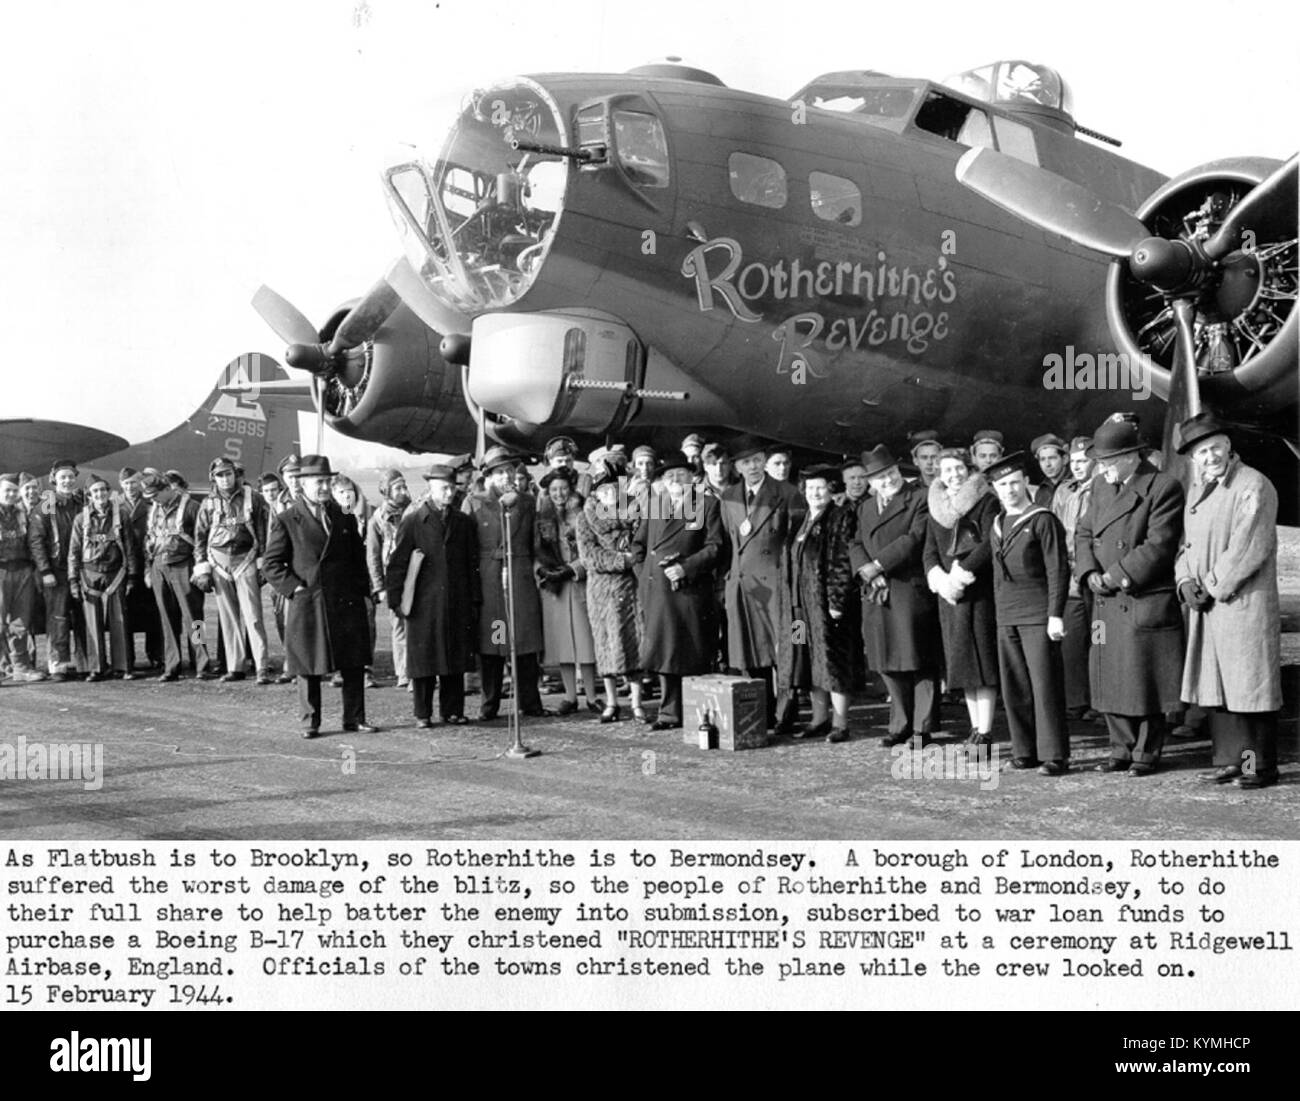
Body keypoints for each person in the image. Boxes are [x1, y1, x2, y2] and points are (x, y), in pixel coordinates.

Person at [1173, 412, 1281, 789]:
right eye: (1202, 452)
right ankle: (1230, 761)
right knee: (1217, 691)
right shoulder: (1198, 491)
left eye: (1215, 447)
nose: (1210, 456)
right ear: (1193, 458)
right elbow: (1186, 544)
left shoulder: (1253, 485)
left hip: (1241, 606)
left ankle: (1257, 767)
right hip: (1208, 607)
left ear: (1229, 446)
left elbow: (1249, 544)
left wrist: (1214, 585)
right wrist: (1185, 580)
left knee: (1249, 692)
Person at [1076, 417, 1185, 777]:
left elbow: (1159, 545)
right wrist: (1089, 572)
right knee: (1109, 675)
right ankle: (1120, 748)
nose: (1101, 468)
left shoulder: (1163, 487)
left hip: (1139, 597)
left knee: (1145, 680)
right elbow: (1084, 532)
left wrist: (1116, 576)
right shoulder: (1100, 487)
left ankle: (1146, 752)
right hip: (1105, 599)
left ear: (1129, 458)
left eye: (1107, 462)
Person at [263, 455, 375, 737]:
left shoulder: (343, 515)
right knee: (308, 664)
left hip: (345, 600)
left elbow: (357, 558)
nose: (324, 487)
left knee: (352, 662)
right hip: (310, 601)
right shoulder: (287, 520)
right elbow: (271, 564)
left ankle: (355, 718)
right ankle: (310, 722)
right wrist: (296, 588)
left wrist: (364, 592)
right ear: (302, 484)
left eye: (327, 481)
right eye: (318, 482)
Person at [848, 445, 941, 746]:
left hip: (906, 588)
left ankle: (921, 727)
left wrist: (877, 565)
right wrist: (863, 567)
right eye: (879, 478)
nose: (887, 481)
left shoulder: (919, 498)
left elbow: (913, 539)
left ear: (899, 471)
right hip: (876, 592)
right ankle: (899, 724)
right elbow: (855, 541)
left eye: (890, 474)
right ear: (871, 482)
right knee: (886, 659)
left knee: (918, 659)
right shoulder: (865, 507)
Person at [987, 453, 1070, 774]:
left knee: (1044, 685)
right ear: (995, 489)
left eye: (1014, 483)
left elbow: (1057, 569)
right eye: (1002, 485)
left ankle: (1055, 755)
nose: (1009, 490)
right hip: (1007, 615)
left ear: (1025, 483)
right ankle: (1025, 751)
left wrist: (1055, 614)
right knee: (1015, 686)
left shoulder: (1042, 519)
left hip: (1038, 614)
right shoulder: (997, 523)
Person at [720, 436, 806, 733]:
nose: (753, 467)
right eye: (746, 462)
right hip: (743, 585)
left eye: (758, 460)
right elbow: (728, 543)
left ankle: (786, 714)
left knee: (784, 650)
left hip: (776, 581)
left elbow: (798, 543)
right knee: (752, 652)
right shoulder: (729, 496)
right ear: (737, 467)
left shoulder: (787, 492)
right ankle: (763, 713)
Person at [633, 450, 724, 730]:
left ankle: (700, 713)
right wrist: (646, 575)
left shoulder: (706, 505)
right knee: (664, 652)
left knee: (693, 650)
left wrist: (686, 567)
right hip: (658, 591)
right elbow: (638, 545)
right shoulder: (654, 505)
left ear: (692, 478)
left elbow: (716, 547)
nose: (675, 480)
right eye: (669, 476)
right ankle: (669, 713)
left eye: (681, 475)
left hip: (690, 590)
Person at [385, 464, 478, 728]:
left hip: (456, 601)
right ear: (431, 489)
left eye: (452, 488)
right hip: (423, 604)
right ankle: (422, 713)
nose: (449, 493)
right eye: (443, 488)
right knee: (424, 662)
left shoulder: (463, 522)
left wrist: (474, 599)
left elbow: (472, 564)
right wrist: (395, 600)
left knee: (454, 660)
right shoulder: (414, 521)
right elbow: (398, 563)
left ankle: (452, 710)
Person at [922, 448, 1000, 748]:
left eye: (958, 469)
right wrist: (939, 579)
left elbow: (990, 542)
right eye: (947, 470)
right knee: (964, 666)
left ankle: (987, 729)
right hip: (949, 597)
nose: (953, 475)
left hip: (977, 591)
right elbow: (929, 550)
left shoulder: (987, 500)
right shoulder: (935, 505)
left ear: (968, 470)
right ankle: (975, 727)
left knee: (983, 663)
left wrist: (961, 574)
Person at [465, 446, 550, 721]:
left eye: (509, 471)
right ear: (489, 476)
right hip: (491, 581)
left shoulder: (526, 502)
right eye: (500, 472)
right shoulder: (474, 503)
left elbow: (536, 541)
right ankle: (489, 704)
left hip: (520, 577)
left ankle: (530, 702)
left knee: (524, 642)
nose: (505, 477)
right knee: (495, 642)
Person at [782, 465, 856, 741]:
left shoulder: (839, 517)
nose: (815, 493)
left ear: (830, 490)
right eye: (810, 488)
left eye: (821, 488)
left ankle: (840, 722)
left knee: (832, 660)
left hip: (826, 607)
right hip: (799, 610)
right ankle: (818, 718)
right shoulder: (802, 519)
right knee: (807, 659)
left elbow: (841, 562)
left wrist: (837, 601)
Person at [576, 456, 646, 723]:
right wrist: (620, 560)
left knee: (634, 641)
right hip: (601, 590)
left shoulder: (635, 511)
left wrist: (631, 558)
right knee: (605, 643)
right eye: (603, 490)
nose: (609, 494)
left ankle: (637, 702)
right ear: (595, 492)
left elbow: (641, 544)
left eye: (614, 489)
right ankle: (612, 702)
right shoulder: (585, 518)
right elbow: (589, 556)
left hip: (630, 588)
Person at [195, 457, 272, 684]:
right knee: (228, 619)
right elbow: (200, 537)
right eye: (220, 475)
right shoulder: (207, 503)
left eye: (228, 474)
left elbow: (264, 531)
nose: (225, 479)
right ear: (213, 478)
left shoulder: (253, 498)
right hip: (219, 562)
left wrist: (262, 563)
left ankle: (261, 667)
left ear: (235, 474)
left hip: (246, 558)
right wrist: (202, 568)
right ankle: (235, 666)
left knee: (254, 616)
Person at [533, 467, 599, 715]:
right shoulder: (542, 519)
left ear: (570, 490)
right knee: (563, 645)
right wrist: (542, 571)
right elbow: (536, 550)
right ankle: (570, 696)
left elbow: (591, 549)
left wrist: (573, 569)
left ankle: (592, 696)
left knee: (586, 643)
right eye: (553, 490)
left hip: (579, 583)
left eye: (563, 488)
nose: (559, 494)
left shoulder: (583, 514)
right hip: (555, 589)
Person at [68, 475, 140, 681]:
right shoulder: (81, 519)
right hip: (90, 573)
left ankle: (123, 666)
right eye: (95, 492)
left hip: (116, 572)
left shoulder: (122, 515)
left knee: (119, 619)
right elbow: (73, 552)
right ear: (90, 495)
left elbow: (130, 547)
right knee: (92, 622)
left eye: (103, 490)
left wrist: (133, 575)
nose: (100, 495)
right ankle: (97, 667)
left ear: (109, 492)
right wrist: (73, 580)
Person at [139, 471, 210, 681]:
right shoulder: (154, 510)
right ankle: (172, 665)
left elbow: (201, 539)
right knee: (167, 620)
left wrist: (201, 569)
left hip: (184, 565)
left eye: (155, 495)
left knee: (194, 617)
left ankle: (202, 662)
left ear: (168, 489)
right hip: (159, 566)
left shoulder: (191, 507)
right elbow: (148, 541)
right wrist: (147, 569)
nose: (152, 500)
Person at [29, 459, 88, 680]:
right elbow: (36, 539)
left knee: (83, 617)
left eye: (71, 477)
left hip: (81, 569)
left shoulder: (81, 502)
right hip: (57, 570)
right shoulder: (46, 503)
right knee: (58, 618)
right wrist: (45, 571)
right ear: (54, 480)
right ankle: (58, 664)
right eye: (63, 477)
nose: (67, 481)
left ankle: (86, 661)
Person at [1052, 436, 1097, 720]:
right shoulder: (1064, 491)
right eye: (1076, 462)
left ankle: (1098, 701)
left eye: (1084, 461)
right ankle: (1077, 699)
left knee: (1100, 639)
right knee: (1072, 640)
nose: (1079, 467)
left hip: (1093, 573)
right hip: (1070, 577)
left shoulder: (1101, 489)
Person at [332, 473, 379, 688]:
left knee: (367, 623)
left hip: (364, 579)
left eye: (349, 491)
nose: (346, 496)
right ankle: (341, 669)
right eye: (341, 492)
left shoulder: (369, 514)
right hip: (340, 582)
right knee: (341, 626)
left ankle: (366, 669)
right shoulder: (332, 517)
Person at [0, 472, 46, 681]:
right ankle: (3, 667)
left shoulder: (22, 514)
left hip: (23, 571)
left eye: (13, 490)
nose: (10, 494)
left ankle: (20, 667)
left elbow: (33, 542)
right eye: (6, 491)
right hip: (1, 571)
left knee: (20, 621)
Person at [368, 470, 412, 689]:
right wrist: (379, 587)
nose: (403, 492)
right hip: (392, 576)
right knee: (399, 626)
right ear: (386, 491)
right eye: (398, 488)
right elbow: (373, 556)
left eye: (404, 487)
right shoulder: (377, 519)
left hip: (414, 573)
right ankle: (403, 672)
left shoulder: (414, 511)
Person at [1030, 433, 1070, 507]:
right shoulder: (1041, 492)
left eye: (1052, 458)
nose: (1047, 464)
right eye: (1042, 459)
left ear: (1065, 459)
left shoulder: (1074, 486)